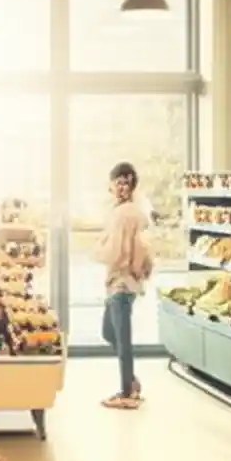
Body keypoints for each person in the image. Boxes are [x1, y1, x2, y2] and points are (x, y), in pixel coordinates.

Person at [93, 162, 153, 410]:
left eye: (125, 183)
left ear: (132, 186)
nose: (121, 187)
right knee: (109, 332)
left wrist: (99, 253)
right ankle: (130, 382)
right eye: (118, 182)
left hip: (122, 282)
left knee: (122, 338)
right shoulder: (127, 211)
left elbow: (118, 251)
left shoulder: (125, 214)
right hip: (122, 281)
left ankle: (127, 392)